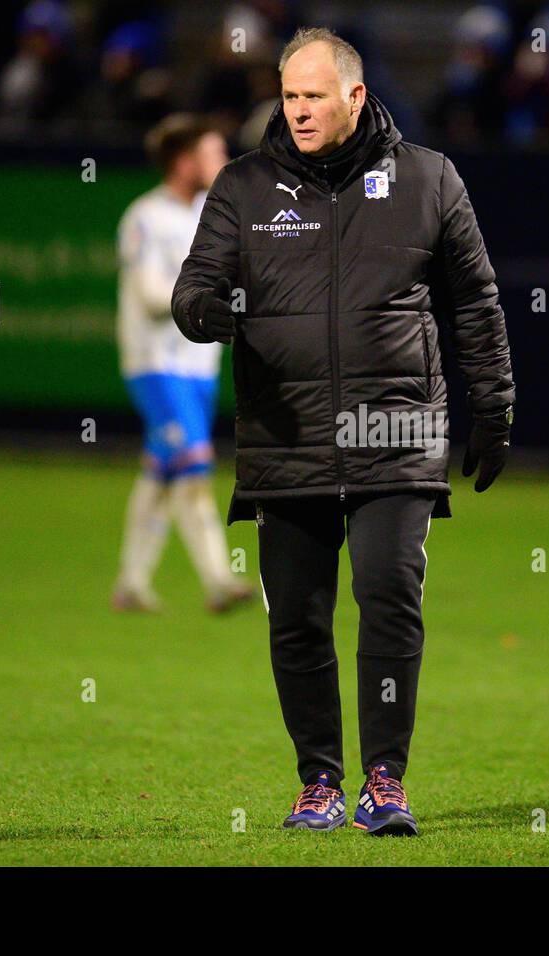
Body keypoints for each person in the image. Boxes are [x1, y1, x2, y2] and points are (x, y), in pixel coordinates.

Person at [171, 27, 514, 836]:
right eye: (290, 95)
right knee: (295, 617)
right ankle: (319, 780)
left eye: (314, 96)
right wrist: (207, 312)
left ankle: (385, 781)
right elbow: (192, 292)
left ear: (355, 96)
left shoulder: (430, 179)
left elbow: (476, 303)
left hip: (395, 432)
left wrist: (495, 407)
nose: (298, 110)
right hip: (283, 439)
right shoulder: (243, 187)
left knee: (389, 594)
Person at [113, 115, 255, 615]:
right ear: (184, 162)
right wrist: (205, 295)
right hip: (157, 365)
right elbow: (151, 295)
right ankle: (219, 580)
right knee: (194, 465)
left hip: (198, 367)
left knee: (161, 472)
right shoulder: (144, 218)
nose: (222, 163)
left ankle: (130, 584)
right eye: (212, 153)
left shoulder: (209, 216)